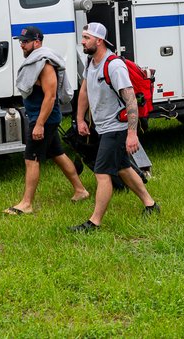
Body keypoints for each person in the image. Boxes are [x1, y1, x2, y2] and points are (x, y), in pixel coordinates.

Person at [71, 22, 159, 232]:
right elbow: (84, 90)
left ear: (99, 41)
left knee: (102, 173)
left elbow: (130, 100)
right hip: (102, 126)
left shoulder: (114, 66)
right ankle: (151, 205)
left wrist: (131, 133)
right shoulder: (90, 62)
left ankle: (94, 222)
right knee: (123, 168)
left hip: (116, 127)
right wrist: (81, 119)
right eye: (83, 37)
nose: (82, 41)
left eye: (86, 38)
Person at [3, 26, 89, 216]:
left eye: (25, 42)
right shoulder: (36, 63)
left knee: (31, 159)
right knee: (57, 154)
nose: (22, 46)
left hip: (44, 119)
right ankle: (80, 190)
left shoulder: (45, 66)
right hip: (41, 117)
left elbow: (50, 97)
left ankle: (26, 204)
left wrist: (40, 124)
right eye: (21, 42)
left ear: (38, 42)